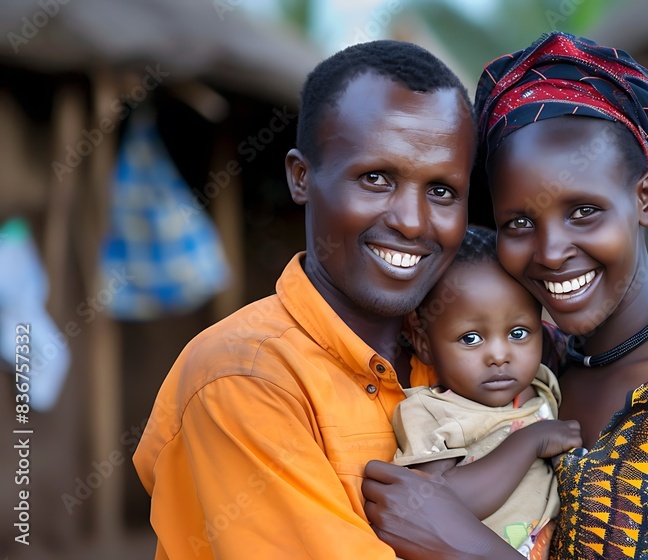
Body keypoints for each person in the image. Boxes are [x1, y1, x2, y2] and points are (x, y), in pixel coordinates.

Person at [363, 31, 648, 559]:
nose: (550, 250)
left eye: (583, 211)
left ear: (646, 197)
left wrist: (462, 545)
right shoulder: (530, 364)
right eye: (519, 221)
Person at [133, 40, 484, 559]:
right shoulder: (244, 378)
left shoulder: (476, 355)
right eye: (376, 178)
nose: (411, 221)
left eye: (441, 191)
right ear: (301, 177)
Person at [393, 225, 581, 558]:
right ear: (424, 342)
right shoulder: (432, 412)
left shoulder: (542, 385)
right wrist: (529, 442)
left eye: (519, 332)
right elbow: (438, 505)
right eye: (471, 339)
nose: (499, 355)